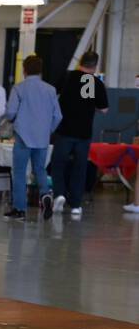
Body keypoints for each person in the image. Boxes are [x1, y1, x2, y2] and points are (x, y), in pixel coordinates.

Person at [3, 54, 61, 220]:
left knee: (20, 172)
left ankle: (19, 209)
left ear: (24, 70)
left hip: (23, 135)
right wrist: (47, 130)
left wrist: (12, 119)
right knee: (40, 169)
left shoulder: (19, 88)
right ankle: (45, 193)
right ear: (41, 71)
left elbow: (11, 112)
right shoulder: (50, 90)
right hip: (42, 137)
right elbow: (58, 116)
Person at [50, 51, 109, 217]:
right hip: (83, 133)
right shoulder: (93, 82)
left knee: (58, 164)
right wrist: (90, 105)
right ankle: (76, 205)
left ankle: (59, 194)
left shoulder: (68, 77)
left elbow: (52, 95)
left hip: (64, 131)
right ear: (95, 66)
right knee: (79, 168)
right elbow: (104, 109)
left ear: (80, 62)